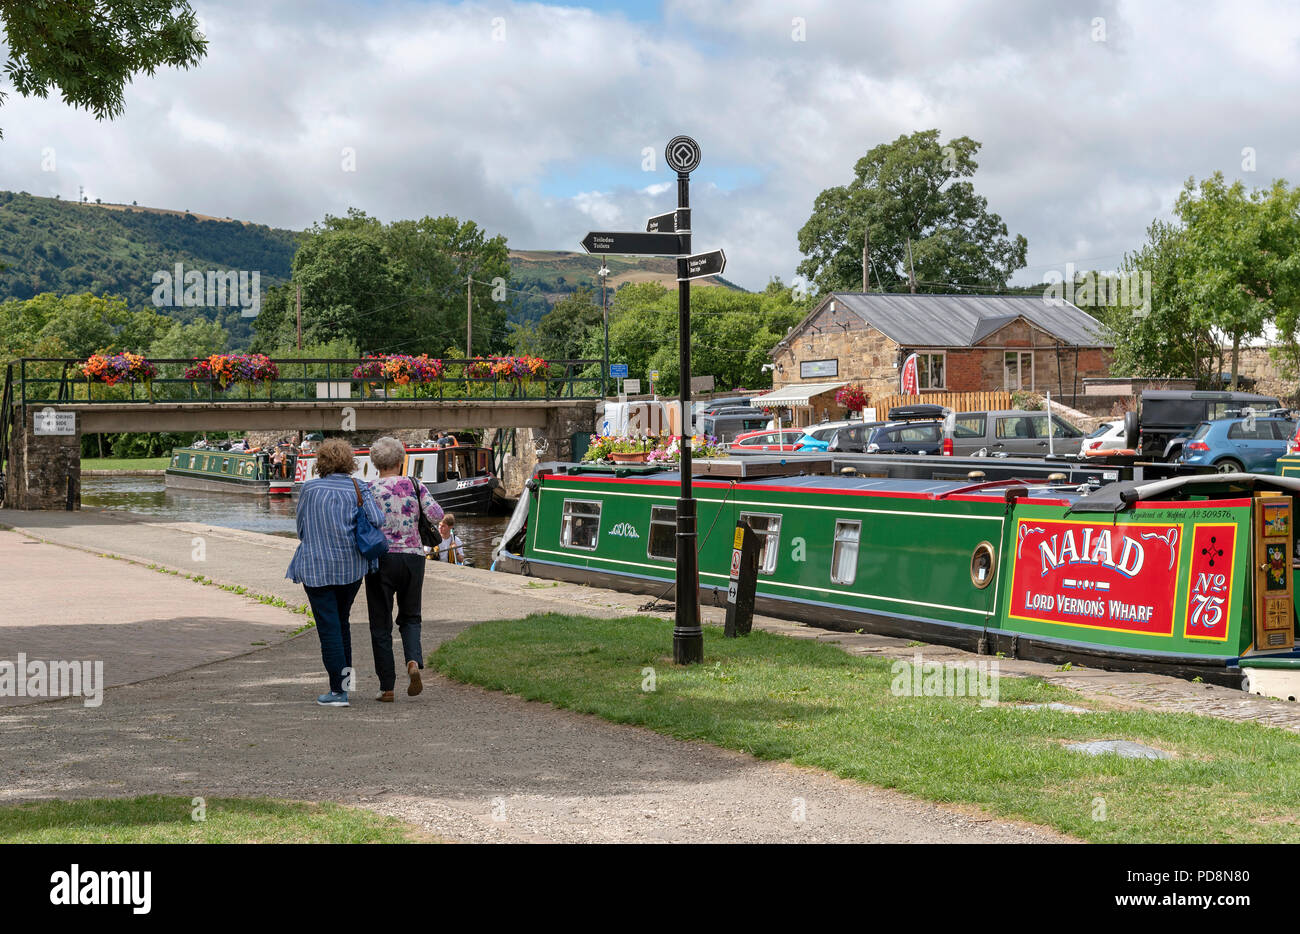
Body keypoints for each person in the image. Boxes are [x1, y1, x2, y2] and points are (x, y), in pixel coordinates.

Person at [286, 438, 384, 708]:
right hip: (350, 568)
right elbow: (378, 520)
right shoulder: (358, 486)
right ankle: (345, 685)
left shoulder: (309, 489)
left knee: (329, 628)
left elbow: (301, 528)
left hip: (316, 567)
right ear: (349, 461)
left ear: (321, 462)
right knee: (342, 623)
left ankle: (338, 692)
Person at [364, 436, 443, 703]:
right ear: (401, 462)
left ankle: (386, 687)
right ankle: (412, 661)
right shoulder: (414, 484)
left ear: (375, 464)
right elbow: (436, 515)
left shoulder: (368, 489)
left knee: (380, 623)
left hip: (380, 560)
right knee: (410, 617)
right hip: (412, 558)